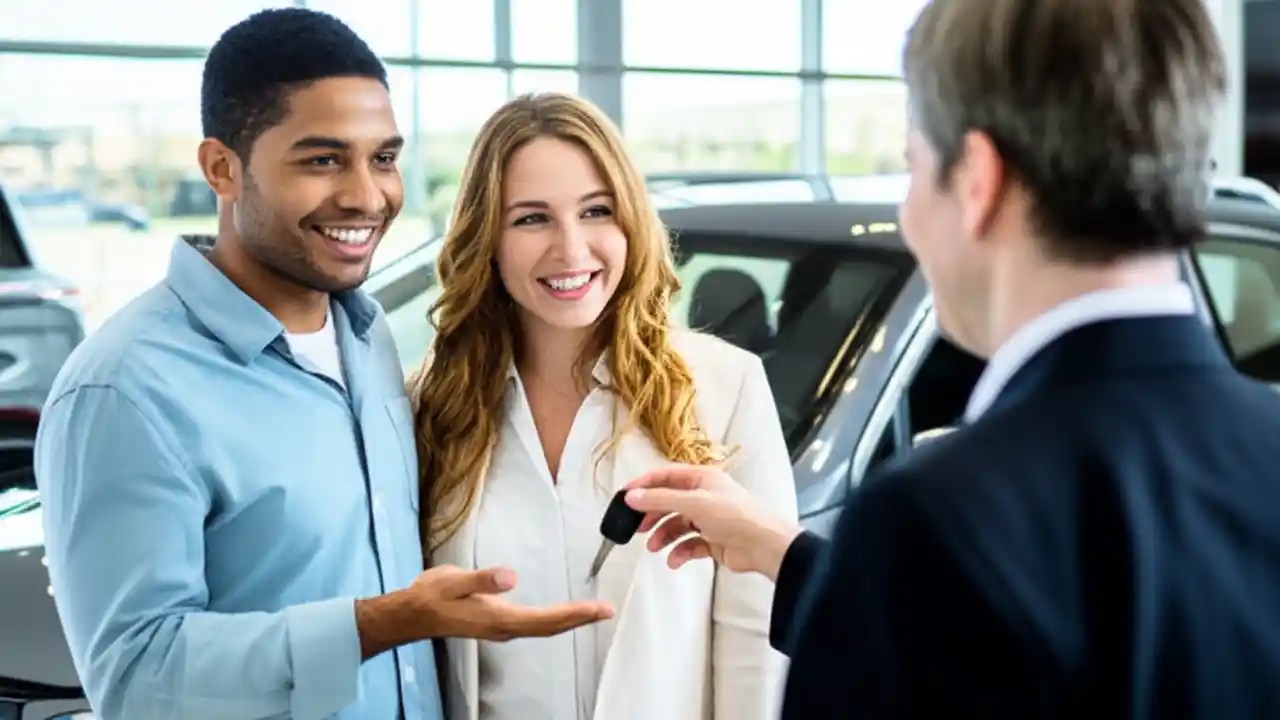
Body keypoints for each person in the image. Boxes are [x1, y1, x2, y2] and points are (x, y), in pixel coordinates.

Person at [624, 0, 1280, 717]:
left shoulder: (940, 515)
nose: (909, 215)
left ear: (977, 179)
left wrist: (876, 566)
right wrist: (790, 554)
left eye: (913, 168)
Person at [32, 10, 610, 720]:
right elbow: (136, 676)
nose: (367, 197)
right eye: (322, 159)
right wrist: (380, 623)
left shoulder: (368, 340)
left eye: (385, 158)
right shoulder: (125, 388)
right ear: (222, 168)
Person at [409, 92, 797, 720]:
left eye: (596, 211)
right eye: (531, 219)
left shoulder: (726, 386)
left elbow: (756, 633)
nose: (571, 249)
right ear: (488, 238)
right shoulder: (432, 404)